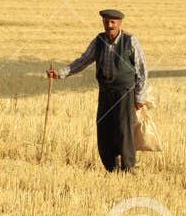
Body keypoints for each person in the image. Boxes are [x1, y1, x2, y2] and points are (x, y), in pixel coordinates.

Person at [47, 9, 149, 172]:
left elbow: (142, 70)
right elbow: (83, 61)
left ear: (120, 23)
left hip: (124, 92)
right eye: (106, 22)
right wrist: (60, 73)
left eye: (113, 22)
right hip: (105, 91)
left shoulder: (131, 41)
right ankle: (111, 166)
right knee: (104, 128)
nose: (109, 25)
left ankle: (128, 168)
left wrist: (140, 96)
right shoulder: (99, 40)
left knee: (124, 130)